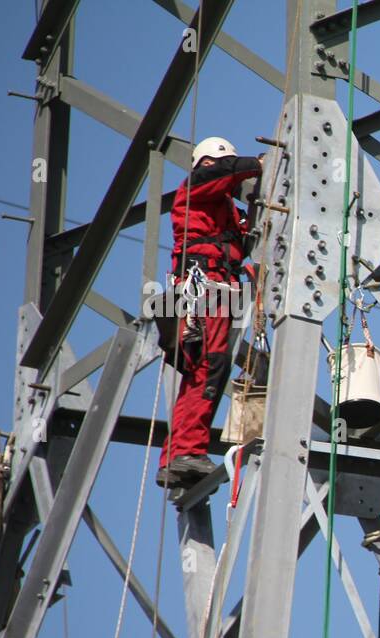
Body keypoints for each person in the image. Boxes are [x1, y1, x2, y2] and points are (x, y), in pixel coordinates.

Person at [155, 136, 263, 489]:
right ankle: (186, 450)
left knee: (202, 372)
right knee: (208, 367)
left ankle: (178, 455)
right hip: (205, 287)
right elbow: (223, 172)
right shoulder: (196, 186)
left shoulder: (225, 209)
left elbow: (245, 241)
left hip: (217, 288)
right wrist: (261, 163)